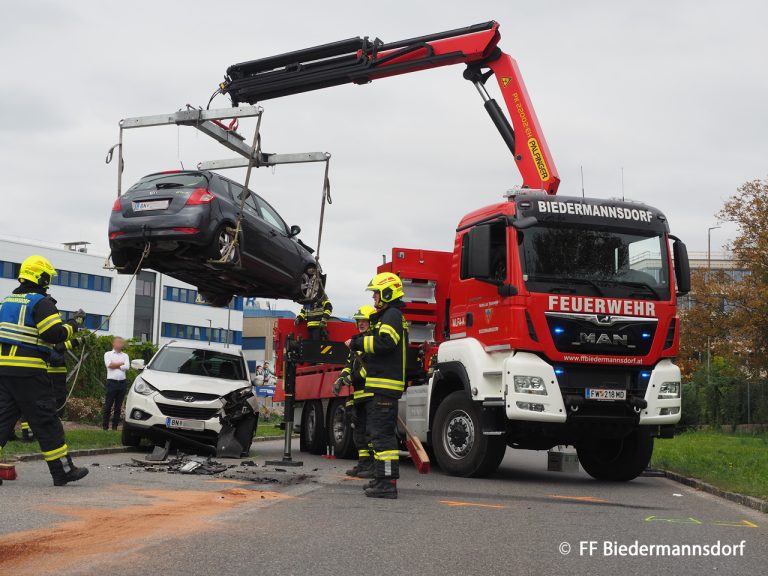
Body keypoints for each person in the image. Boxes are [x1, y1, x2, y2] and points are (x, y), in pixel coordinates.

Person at [0, 255, 89, 486]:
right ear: (41, 276)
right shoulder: (41, 302)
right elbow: (53, 335)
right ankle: (62, 472)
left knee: (2, 420)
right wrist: (73, 326)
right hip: (30, 372)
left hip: (3, 371)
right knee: (47, 421)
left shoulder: (6, 301)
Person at [348, 272, 408, 499]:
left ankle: (387, 483)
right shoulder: (389, 315)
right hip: (382, 386)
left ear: (387, 291)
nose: (373, 297)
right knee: (378, 435)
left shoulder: (391, 314)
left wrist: (359, 341)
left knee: (382, 437)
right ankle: (382, 479)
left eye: (376, 292)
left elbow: (385, 342)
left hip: (385, 387)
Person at [334, 305, 376, 479]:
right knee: (358, 432)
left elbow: (368, 370)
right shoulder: (356, 341)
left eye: (364, 320)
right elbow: (348, 365)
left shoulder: (372, 342)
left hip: (370, 394)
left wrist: (349, 379)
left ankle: (372, 466)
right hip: (358, 395)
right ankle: (363, 464)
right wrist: (340, 378)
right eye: (359, 320)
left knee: (370, 432)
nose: (361, 323)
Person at [103, 337, 129, 431]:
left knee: (118, 407)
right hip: (112, 383)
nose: (120, 344)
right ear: (113, 344)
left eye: (121, 343)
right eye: (118, 342)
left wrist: (116, 365)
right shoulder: (108, 354)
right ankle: (105, 427)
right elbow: (109, 365)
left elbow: (127, 367)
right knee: (108, 406)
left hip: (122, 383)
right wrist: (121, 364)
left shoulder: (125, 355)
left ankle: (114, 428)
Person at [49, 338, 78, 419]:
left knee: (60, 399)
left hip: (59, 375)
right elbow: (59, 347)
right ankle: (55, 419)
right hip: (53, 375)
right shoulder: (50, 336)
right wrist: (77, 341)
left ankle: (57, 419)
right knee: (56, 399)